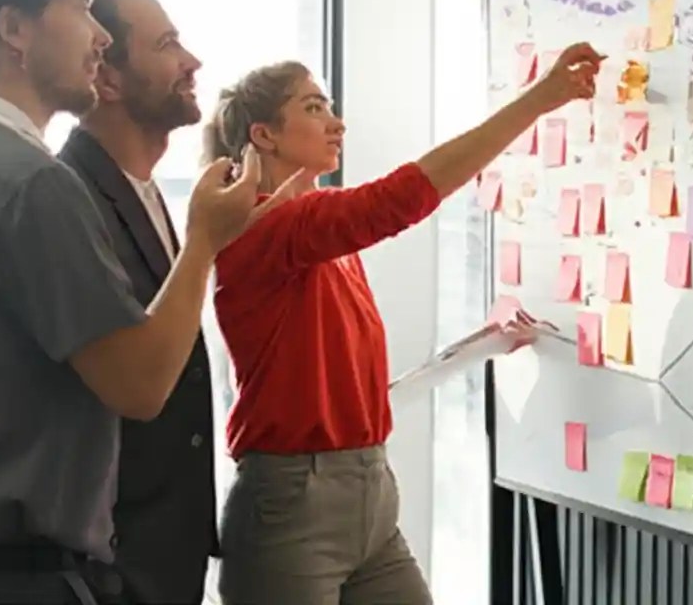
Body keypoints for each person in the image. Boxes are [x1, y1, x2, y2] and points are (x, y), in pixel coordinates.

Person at [0, 0, 302, 604]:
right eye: (77, 7)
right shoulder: (30, 184)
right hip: (27, 574)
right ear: (14, 27)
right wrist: (203, 244)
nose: (96, 37)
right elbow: (139, 385)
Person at [205, 44, 602, 604]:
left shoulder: (323, 237)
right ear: (264, 135)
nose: (336, 122)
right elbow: (404, 198)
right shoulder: (267, 227)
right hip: (293, 502)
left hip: (367, 489)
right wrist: (538, 100)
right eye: (314, 108)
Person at [57, 0, 216, 604]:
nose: (192, 62)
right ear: (110, 78)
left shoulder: (151, 192)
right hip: (113, 561)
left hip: (165, 550)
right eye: (168, 44)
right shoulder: (67, 195)